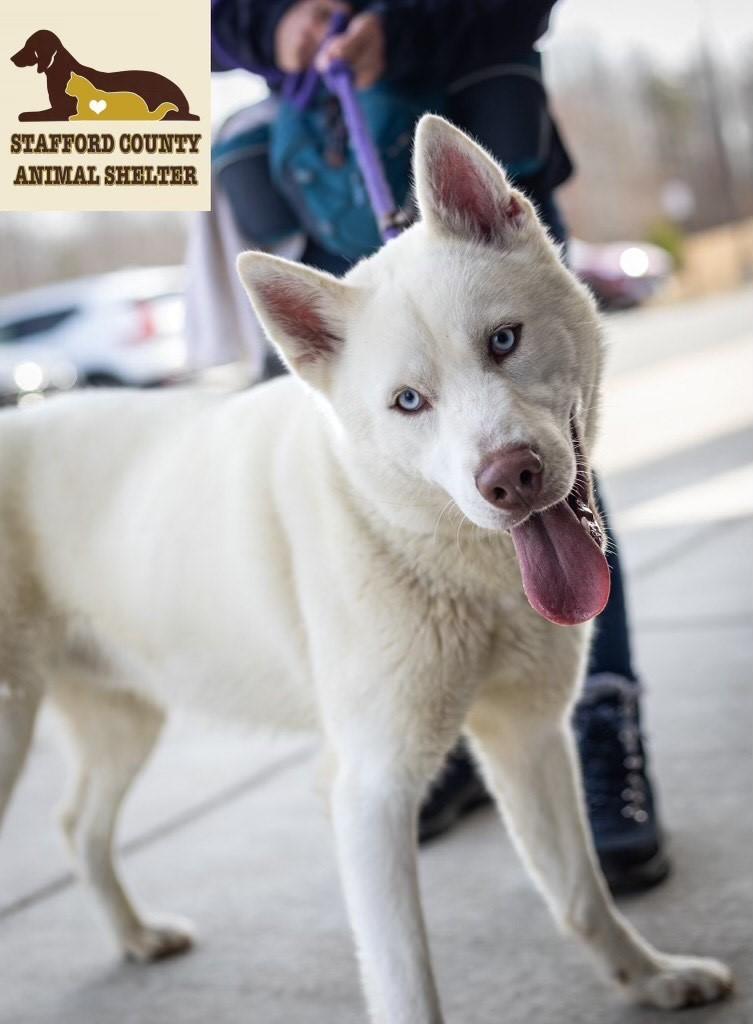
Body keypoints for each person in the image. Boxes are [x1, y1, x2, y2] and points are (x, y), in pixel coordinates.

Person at [209, 0, 669, 894]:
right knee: (430, 456)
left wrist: (405, 26)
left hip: (466, 128)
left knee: (536, 443)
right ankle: (453, 727)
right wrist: (270, 26)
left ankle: (601, 718)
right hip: (323, 160)